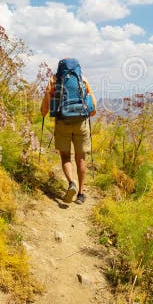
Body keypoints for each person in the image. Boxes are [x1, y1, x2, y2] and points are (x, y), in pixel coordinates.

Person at [41, 58, 97, 204]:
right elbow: (93, 109)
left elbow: (45, 107)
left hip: (62, 122)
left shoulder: (54, 80)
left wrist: (44, 112)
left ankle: (72, 183)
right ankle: (81, 194)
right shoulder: (82, 79)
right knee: (81, 158)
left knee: (66, 157)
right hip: (81, 124)